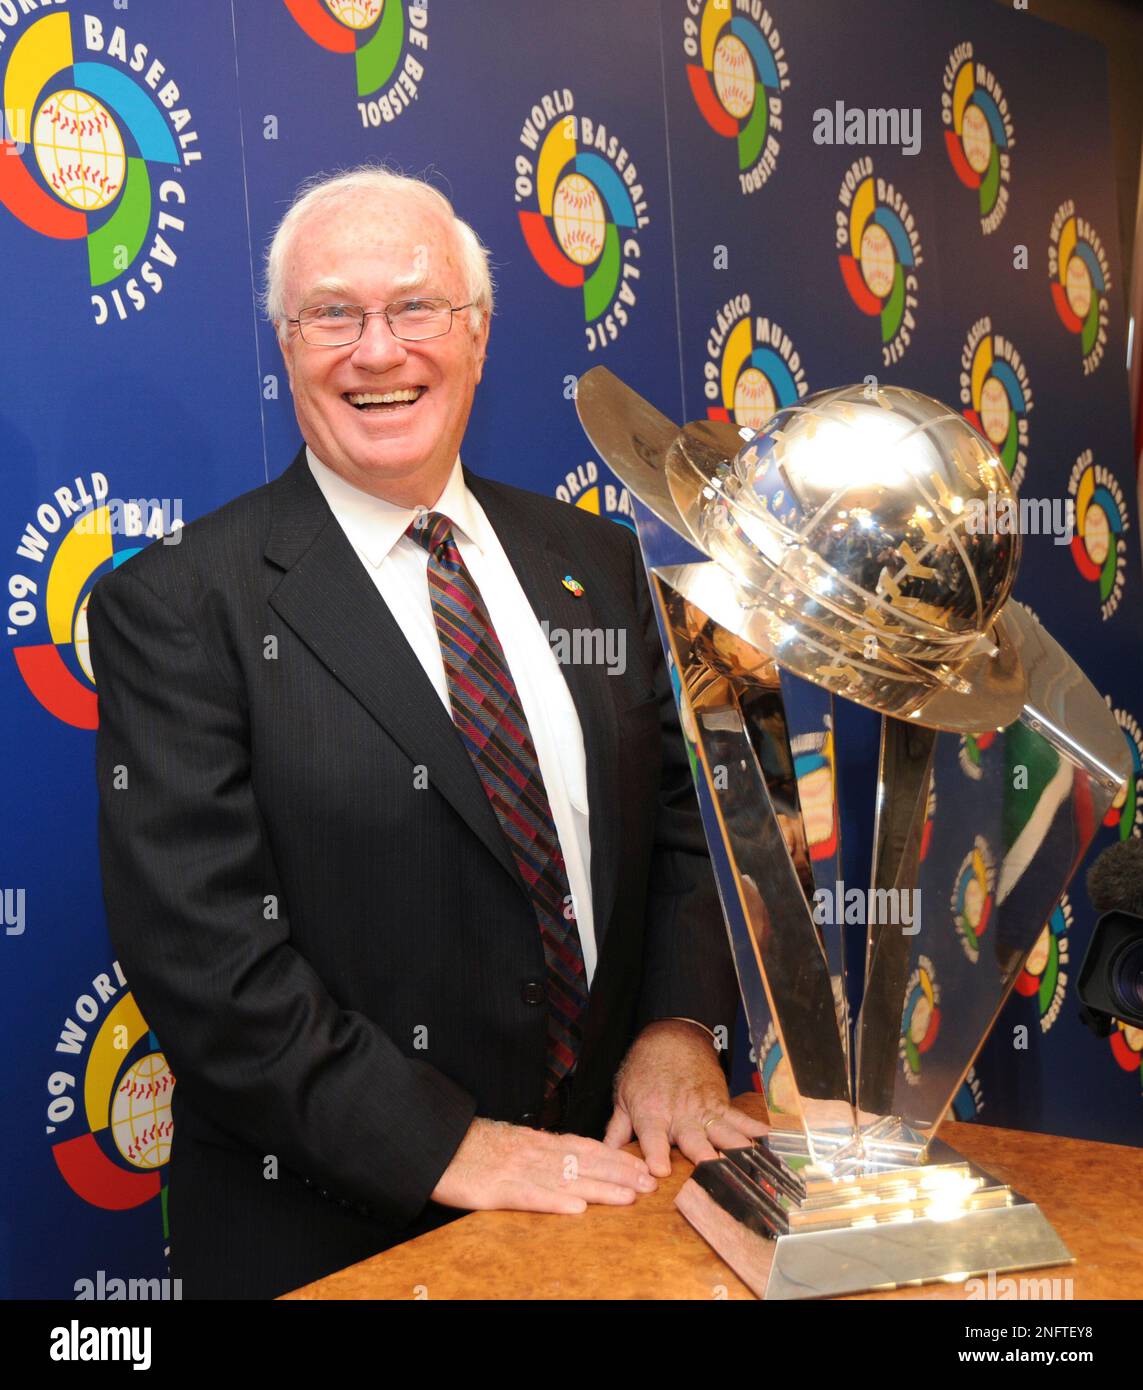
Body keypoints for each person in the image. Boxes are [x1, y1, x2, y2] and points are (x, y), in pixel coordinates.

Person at [89, 166, 757, 1300]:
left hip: (610, 1207)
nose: (378, 350)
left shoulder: (591, 563)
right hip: (330, 1243)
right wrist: (452, 1144)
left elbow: (686, 817)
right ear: (286, 345)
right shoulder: (181, 605)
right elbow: (206, 961)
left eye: (415, 308)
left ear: (480, 333)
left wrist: (680, 1022)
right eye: (332, 315)